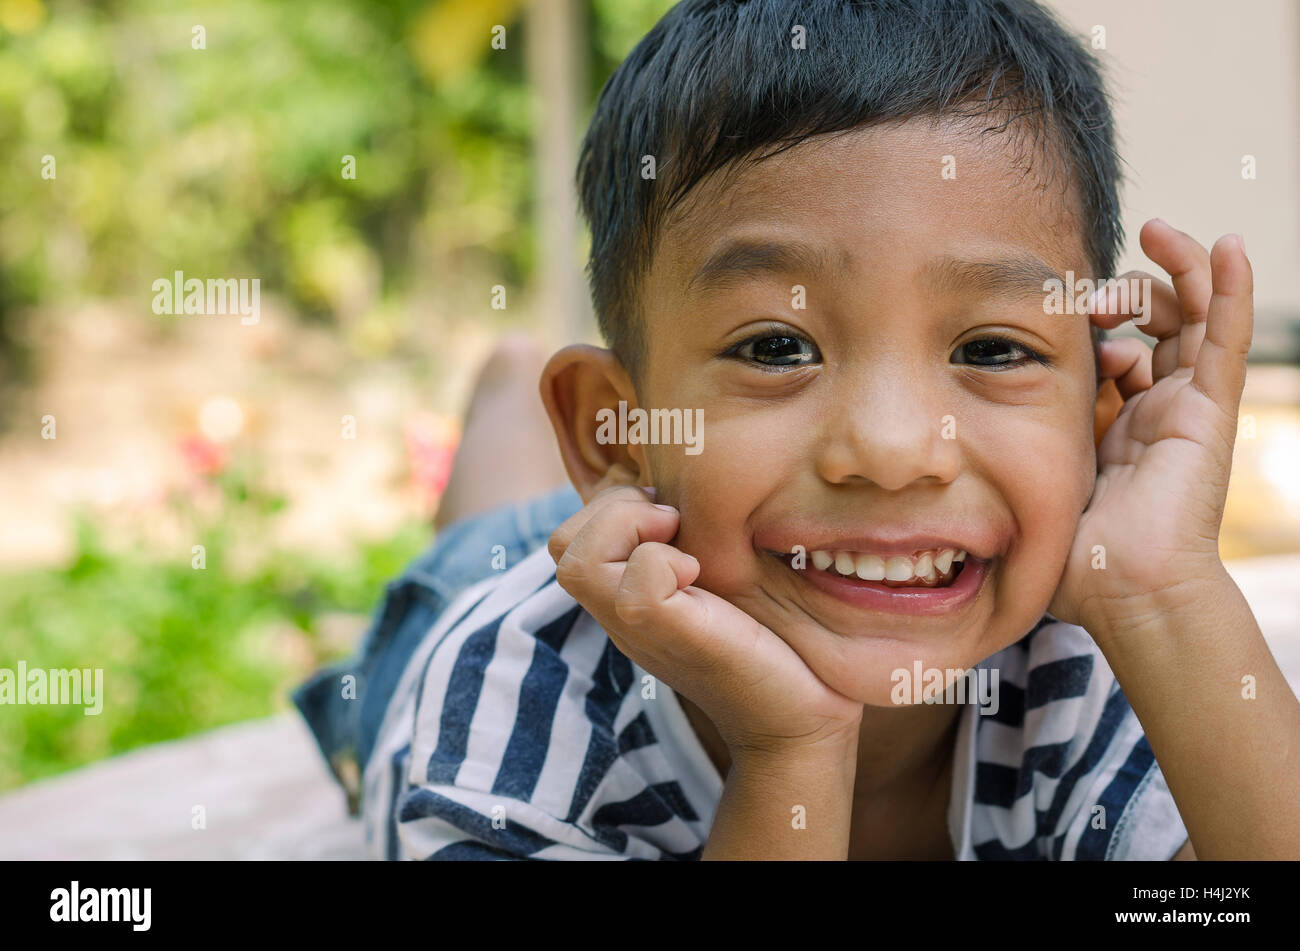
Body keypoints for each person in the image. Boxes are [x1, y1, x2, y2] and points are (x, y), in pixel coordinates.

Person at [295, 0, 1299, 860]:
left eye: (992, 349)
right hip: (530, 580)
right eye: (777, 346)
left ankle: (524, 396)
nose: (894, 448)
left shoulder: (1089, 664)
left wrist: (1163, 589)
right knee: (475, 558)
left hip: (675, 511)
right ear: (614, 432)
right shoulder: (510, 711)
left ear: (1096, 417)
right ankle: (513, 403)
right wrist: (794, 749)